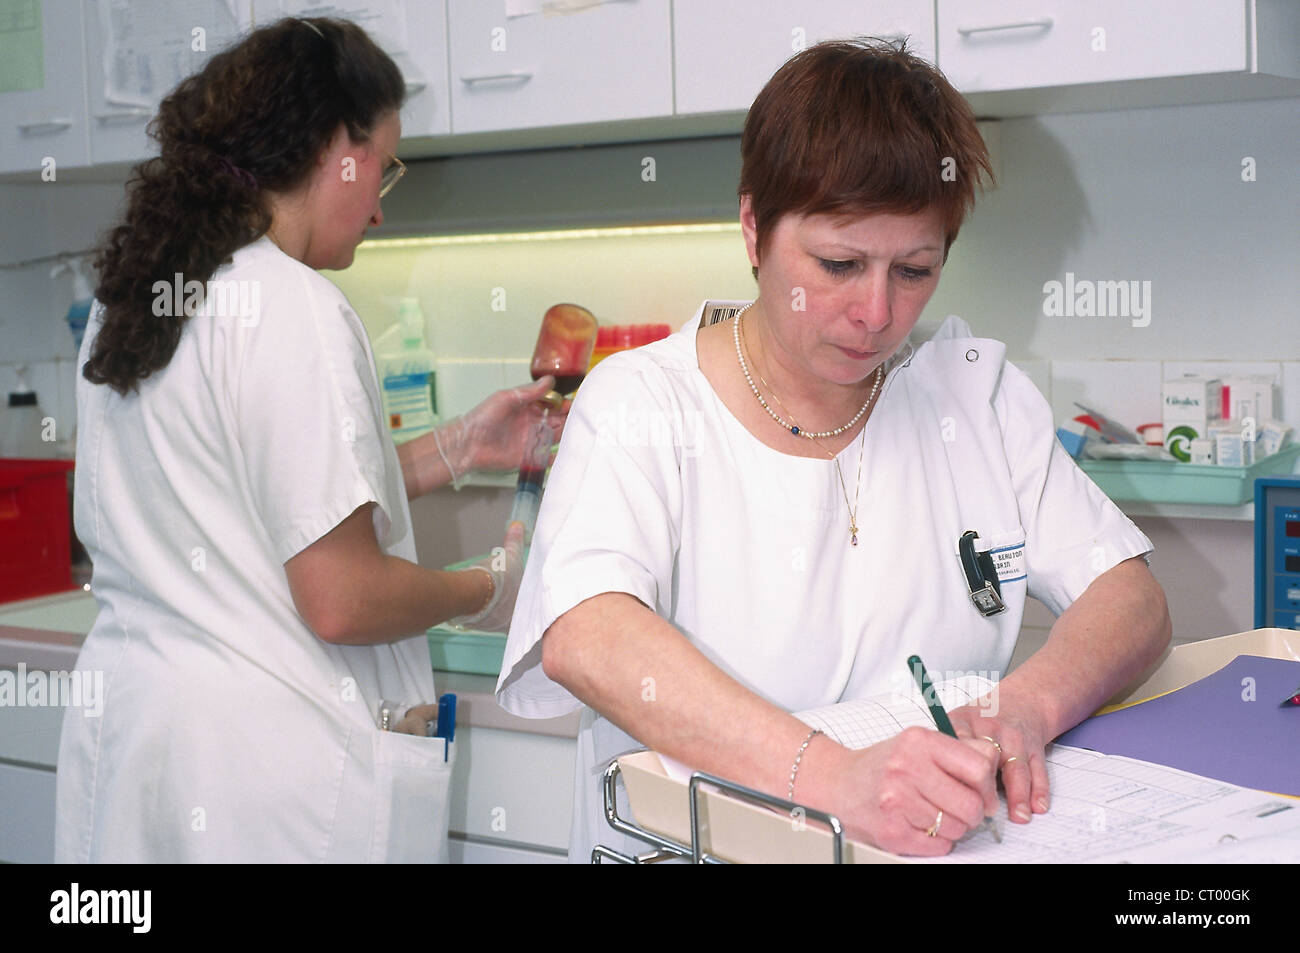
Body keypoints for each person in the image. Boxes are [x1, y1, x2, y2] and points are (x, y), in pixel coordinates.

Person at [495, 38, 1172, 862]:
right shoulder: (644, 402)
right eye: (839, 264)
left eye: (914, 270)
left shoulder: (970, 396)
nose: (876, 312)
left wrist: (1021, 708)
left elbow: (1130, 600)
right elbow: (587, 634)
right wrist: (837, 781)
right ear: (753, 227)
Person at [56, 17, 562, 863]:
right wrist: (484, 583)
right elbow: (343, 597)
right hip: (264, 783)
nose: (379, 209)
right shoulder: (294, 308)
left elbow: (266, 501)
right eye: (385, 170)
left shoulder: (138, 297)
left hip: (142, 748)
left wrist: (462, 445)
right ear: (337, 146)